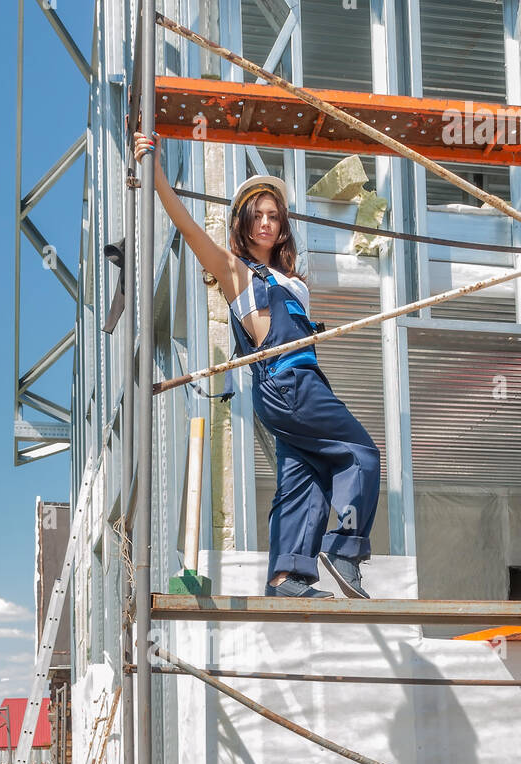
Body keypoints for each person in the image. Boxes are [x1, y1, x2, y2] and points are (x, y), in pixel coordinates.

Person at [134, 131, 381, 601]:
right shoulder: (237, 272)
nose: (266, 223)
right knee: (359, 454)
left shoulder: (293, 279)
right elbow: (187, 228)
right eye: (257, 216)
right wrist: (156, 173)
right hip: (289, 383)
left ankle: (286, 577)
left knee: (302, 480)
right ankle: (346, 549)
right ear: (244, 224)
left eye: (274, 216)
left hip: (292, 387)